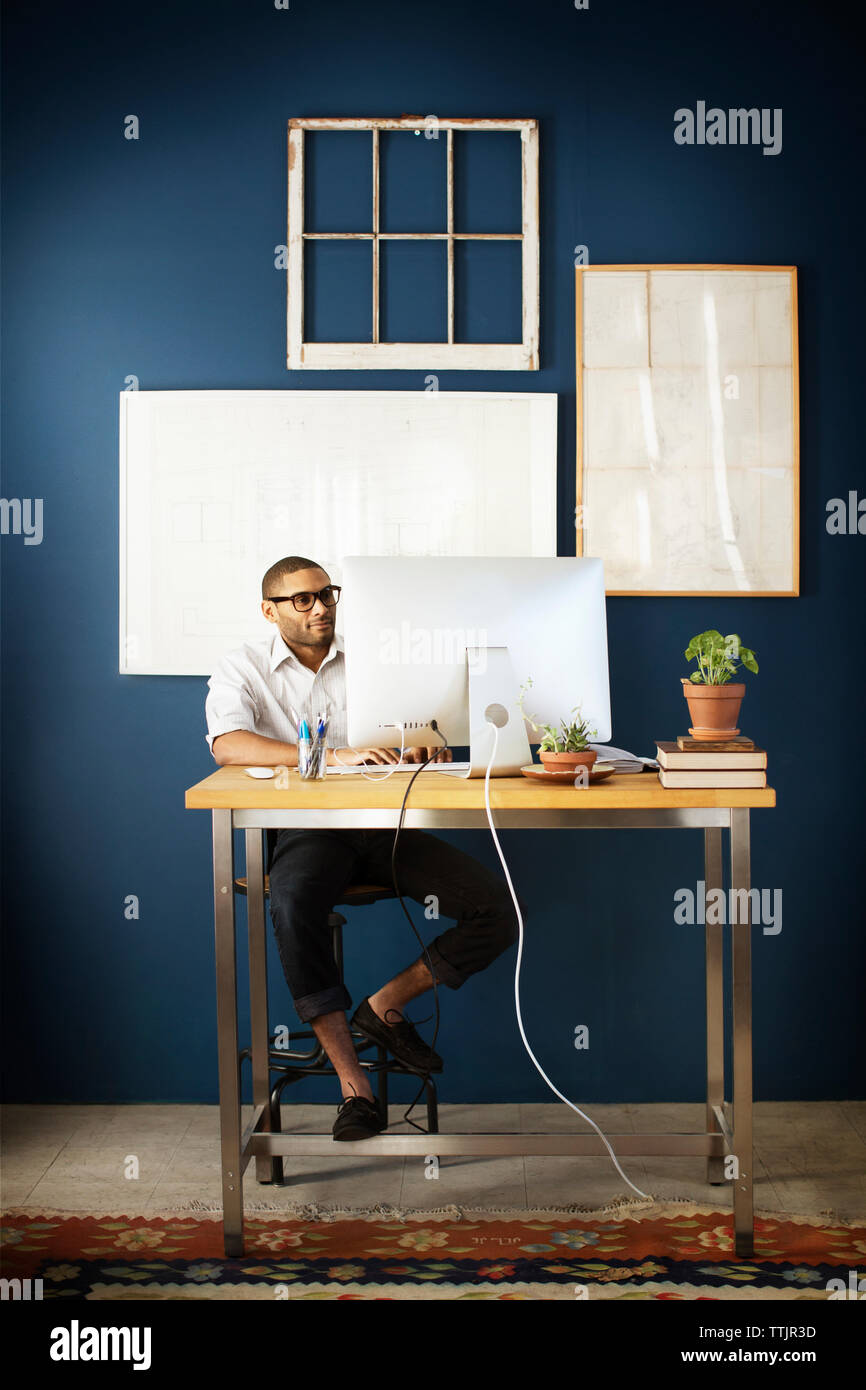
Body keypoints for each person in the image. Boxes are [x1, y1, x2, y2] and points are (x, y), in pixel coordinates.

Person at [204, 555, 522, 1141]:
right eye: (302, 599)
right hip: (310, 832)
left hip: (384, 825)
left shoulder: (374, 657)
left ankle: (382, 1007)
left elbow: (423, 728)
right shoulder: (241, 666)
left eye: (327, 594)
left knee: (497, 911)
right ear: (270, 610)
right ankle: (355, 1088)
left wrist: (425, 744)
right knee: (292, 903)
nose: (320, 606)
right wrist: (328, 756)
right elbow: (228, 744)